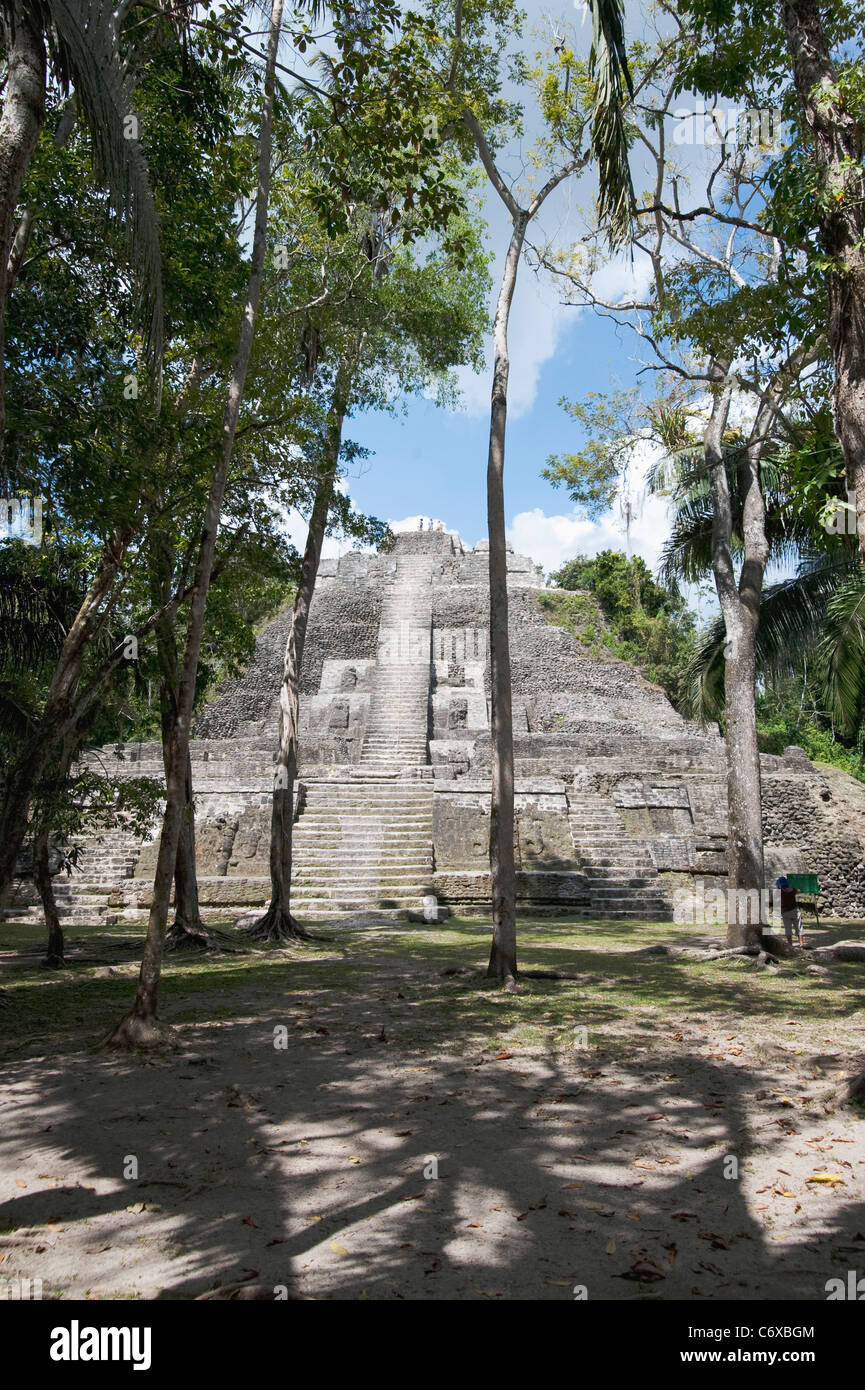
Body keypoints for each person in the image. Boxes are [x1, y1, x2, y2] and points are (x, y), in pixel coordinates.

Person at [776, 876, 803, 946]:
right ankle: (801, 943)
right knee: (798, 927)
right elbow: (799, 890)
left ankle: (790, 944)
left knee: (788, 929)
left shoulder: (779, 892)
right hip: (794, 911)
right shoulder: (792, 890)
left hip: (785, 912)